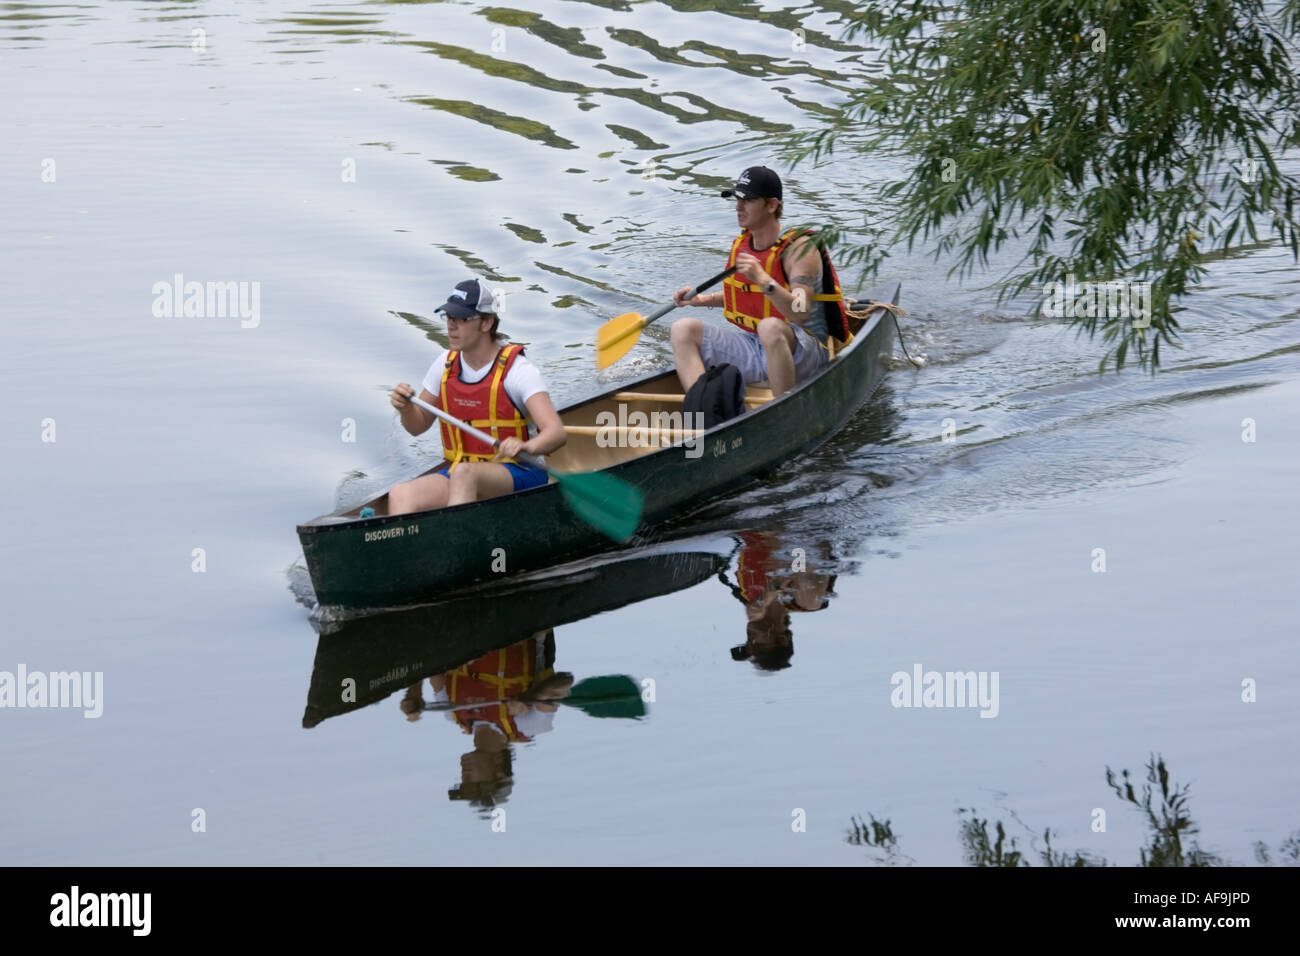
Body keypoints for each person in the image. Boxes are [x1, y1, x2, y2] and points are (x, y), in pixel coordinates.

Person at [387, 278, 566, 515]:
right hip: (465, 472)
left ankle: (456, 545)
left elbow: (556, 432)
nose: (451, 326)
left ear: (486, 323)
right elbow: (417, 427)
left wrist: (527, 446)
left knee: (464, 473)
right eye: (448, 317)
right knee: (400, 493)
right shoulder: (444, 364)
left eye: (461, 319)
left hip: (520, 472)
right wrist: (406, 409)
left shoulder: (519, 371)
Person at [669, 166, 850, 397]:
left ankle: (784, 408)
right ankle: (704, 410)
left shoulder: (800, 250)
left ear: (772, 205)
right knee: (682, 329)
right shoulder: (744, 244)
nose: (738, 207)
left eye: (747, 201)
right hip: (757, 345)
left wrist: (763, 279)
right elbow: (749, 297)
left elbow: (800, 311)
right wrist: (702, 300)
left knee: (769, 327)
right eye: (736, 200)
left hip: (807, 353)